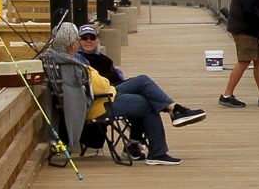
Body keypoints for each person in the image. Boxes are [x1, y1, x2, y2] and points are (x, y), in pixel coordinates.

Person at [47, 24, 181, 165]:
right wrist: (104, 82)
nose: (79, 43)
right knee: (146, 102)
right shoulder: (72, 66)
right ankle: (158, 150)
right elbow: (100, 87)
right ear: (71, 44)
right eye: (77, 40)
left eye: (91, 37)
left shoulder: (60, 59)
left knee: (142, 81)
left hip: (101, 97)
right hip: (98, 104)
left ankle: (173, 109)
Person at [74, 25, 206, 131]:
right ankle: (174, 109)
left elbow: (118, 75)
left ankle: (171, 112)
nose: (88, 41)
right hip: (106, 94)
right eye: (84, 38)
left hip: (115, 89)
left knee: (144, 92)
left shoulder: (103, 58)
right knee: (143, 82)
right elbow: (95, 84)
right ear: (78, 42)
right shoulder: (79, 58)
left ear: (97, 40)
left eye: (92, 37)